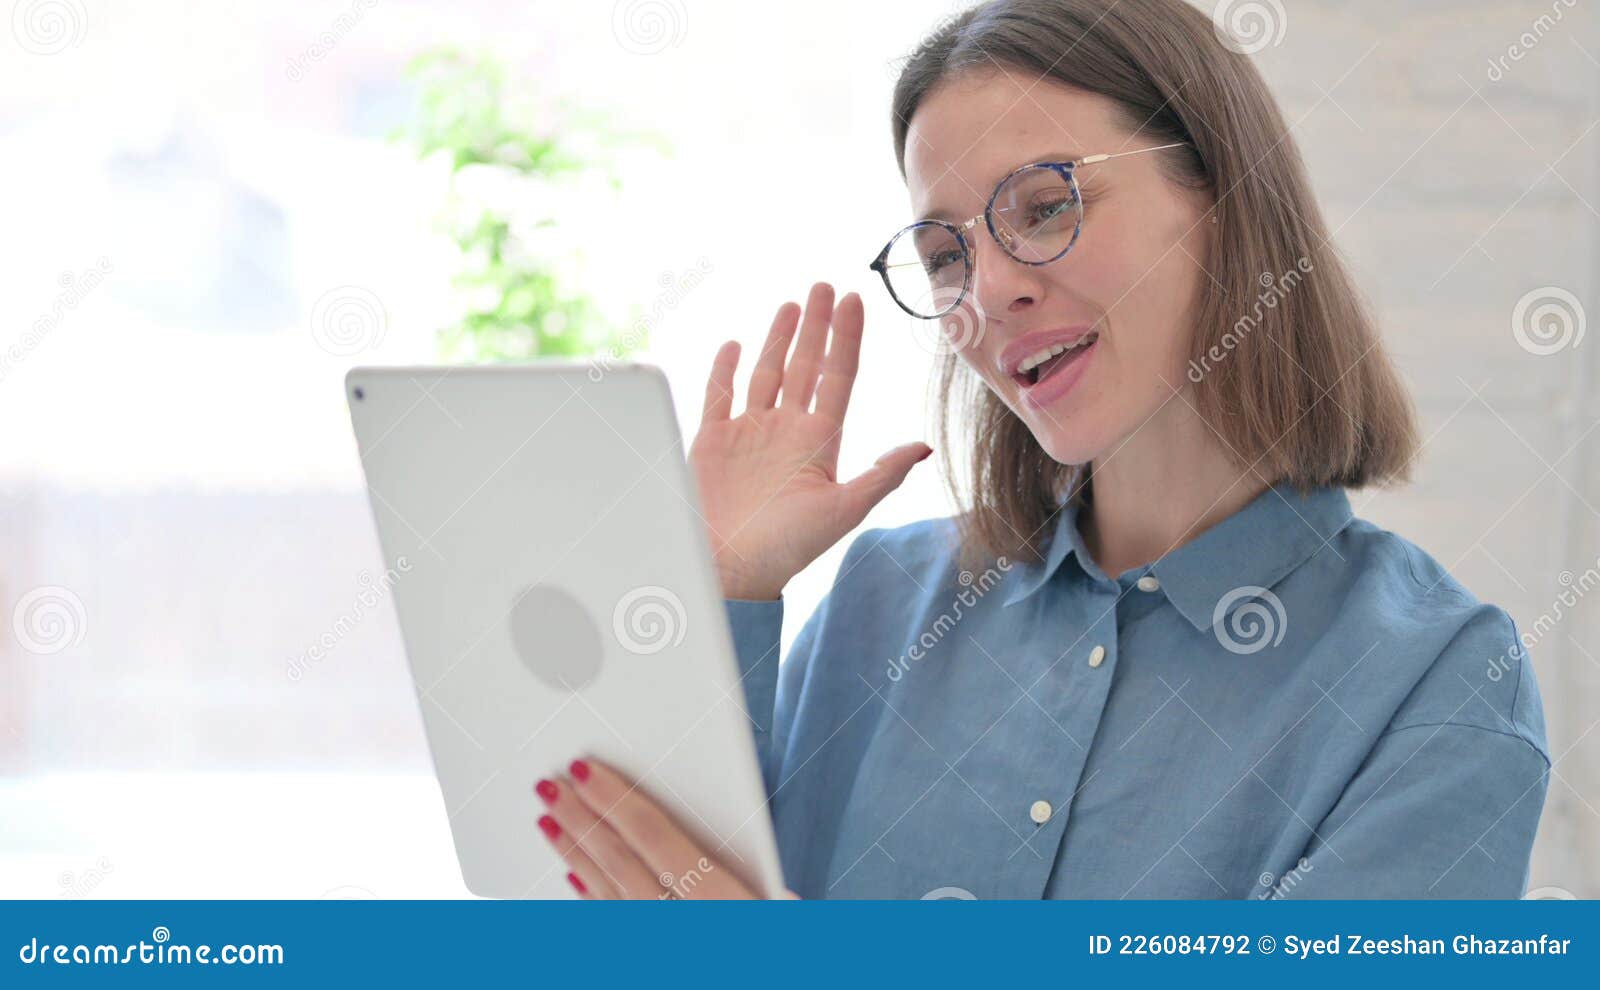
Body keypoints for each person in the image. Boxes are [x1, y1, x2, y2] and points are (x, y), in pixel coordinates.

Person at [530, 0, 1549, 899]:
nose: (988, 292)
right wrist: (722, 586)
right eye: (944, 256)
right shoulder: (879, 606)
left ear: (1224, 197)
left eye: (1046, 207)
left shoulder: (1435, 683)